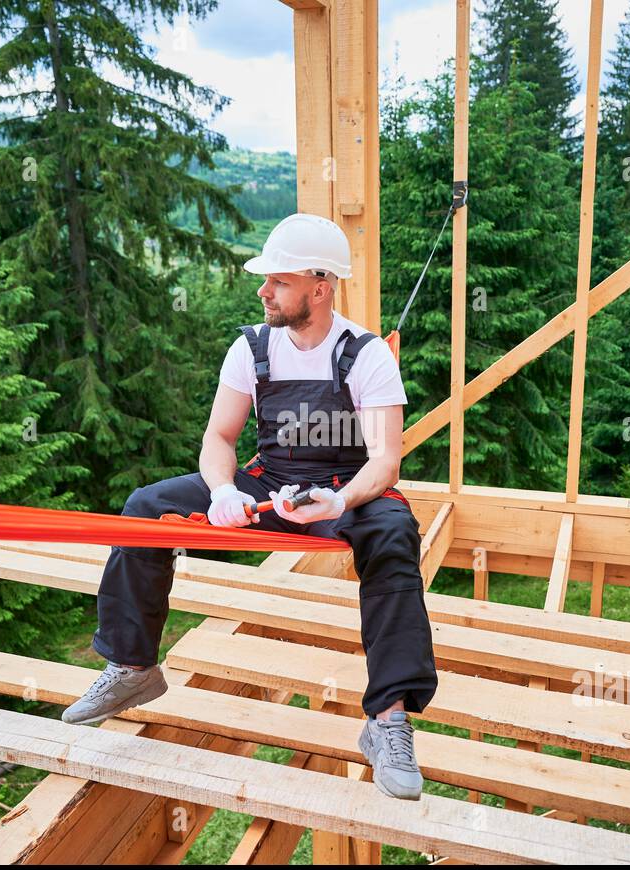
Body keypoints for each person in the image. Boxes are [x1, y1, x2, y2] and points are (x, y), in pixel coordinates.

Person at [62, 212, 439, 799]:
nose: (263, 291)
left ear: (320, 285)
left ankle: (388, 719)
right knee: (144, 508)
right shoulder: (250, 347)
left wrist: (337, 501)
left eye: (278, 281)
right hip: (269, 480)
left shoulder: (367, 356)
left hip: (345, 486)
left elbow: (385, 461)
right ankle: (134, 669)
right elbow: (219, 439)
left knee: (392, 536)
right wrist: (222, 491)